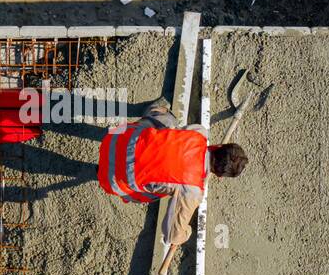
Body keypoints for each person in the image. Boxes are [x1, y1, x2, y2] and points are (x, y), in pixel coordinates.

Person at [97, 98, 248, 248]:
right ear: (220, 176)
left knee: (169, 124)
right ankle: (115, 176)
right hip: (111, 178)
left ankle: (155, 109)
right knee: (163, 190)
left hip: (116, 136)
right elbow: (172, 235)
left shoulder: (199, 133)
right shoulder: (192, 192)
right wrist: (186, 232)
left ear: (217, 146)